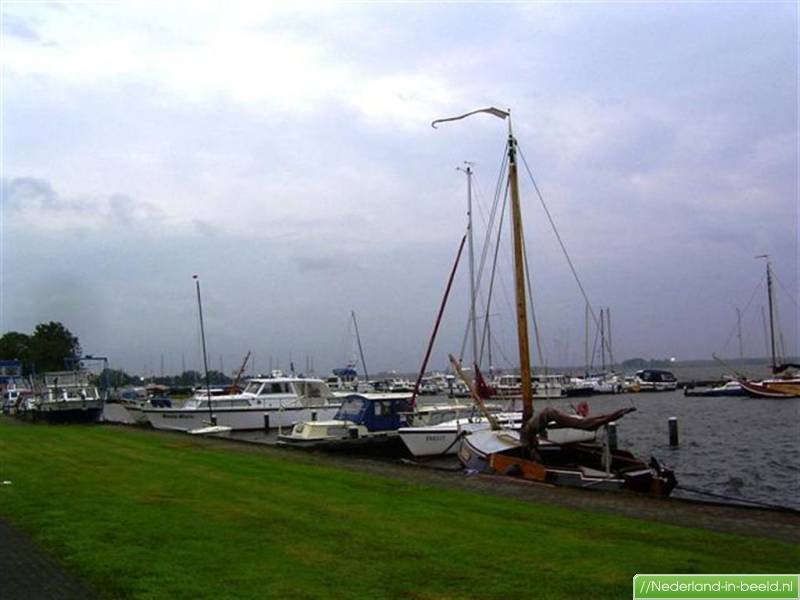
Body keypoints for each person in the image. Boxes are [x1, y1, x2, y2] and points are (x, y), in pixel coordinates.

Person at [519, 405, 636, 461]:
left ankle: (617, 414)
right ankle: (616, 414)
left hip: (549, 414)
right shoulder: (529, 430)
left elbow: (531, 448)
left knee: (584, 424)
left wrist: (535, 458)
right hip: (549, 414)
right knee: (585, 423)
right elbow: (539, 431)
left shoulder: (527, 435)